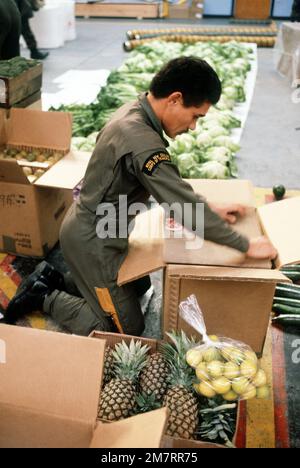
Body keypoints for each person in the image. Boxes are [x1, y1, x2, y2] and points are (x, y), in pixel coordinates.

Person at [5, 57, 277, 335]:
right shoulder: (142, 142)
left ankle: (57, 279)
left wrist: (210, 208)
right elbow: (181, 206)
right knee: (124, 329)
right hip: (94, 242)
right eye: (196, 115)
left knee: (140, 285)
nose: (194, 126)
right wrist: (244, 245)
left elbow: (173, 190)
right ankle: (43, 296)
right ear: (174, 99)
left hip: (99, 226)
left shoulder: (135, 111)